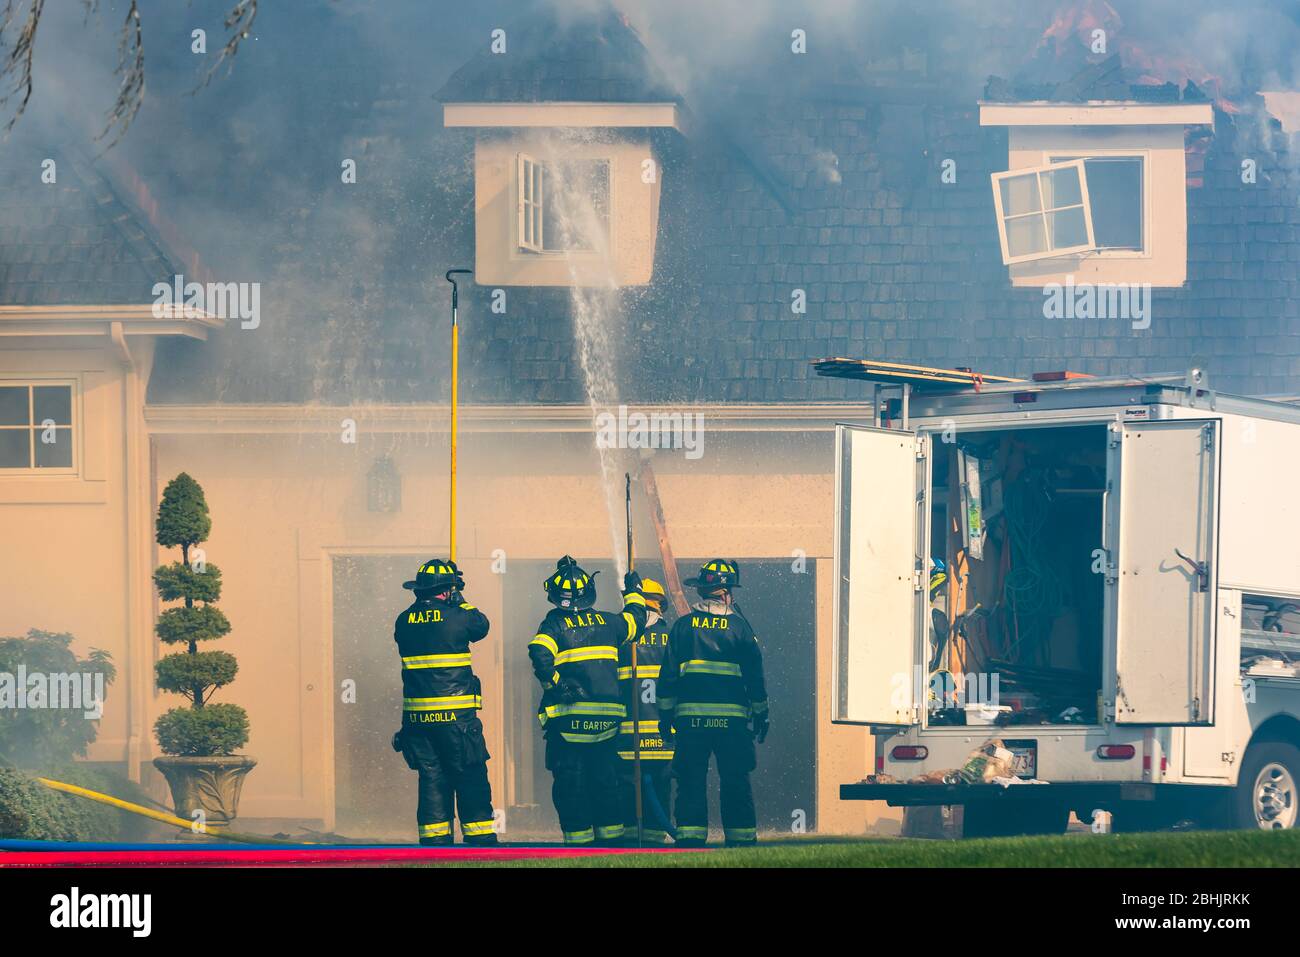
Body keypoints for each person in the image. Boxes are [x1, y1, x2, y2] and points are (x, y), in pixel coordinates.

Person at [528, 556, 646, 846]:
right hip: (605, 725)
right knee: (606, 783)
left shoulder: (554, 625)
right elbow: (636, 621)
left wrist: (556, 685)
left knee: (571, 785)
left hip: (569, 723)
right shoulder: (609, 623)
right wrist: (633, 591)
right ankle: (611, 845)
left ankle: (578, 845)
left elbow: (539, 656)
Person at [658, 559, 768, 848]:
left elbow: (668, 675)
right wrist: (761, 714)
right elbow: (754, 676)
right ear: (726, 592)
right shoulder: (740, 628)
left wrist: (665, 716)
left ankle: (691, 840)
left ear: (704, 591)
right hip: (732, 723)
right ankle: (741, 840)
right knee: (735, 779)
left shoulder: (683, 627)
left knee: (690, 780)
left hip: (690, 721)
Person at [391, 559, 498, 846]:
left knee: (432, 779)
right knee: (469, 775)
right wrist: (460, 601)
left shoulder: (403, 620)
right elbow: (481, 625)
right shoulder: (458, 616)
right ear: (447, 591)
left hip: (418, 723)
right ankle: (480, 842)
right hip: (455, 719)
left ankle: (435, 845)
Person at [616, 578, 675, 844]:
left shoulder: (620, 636)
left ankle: (629, 842)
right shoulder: (673, 636)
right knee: (661, 788)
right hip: (664, 733)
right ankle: (654, 840)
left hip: (628, 734)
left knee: (628, 789)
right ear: (660, 604)